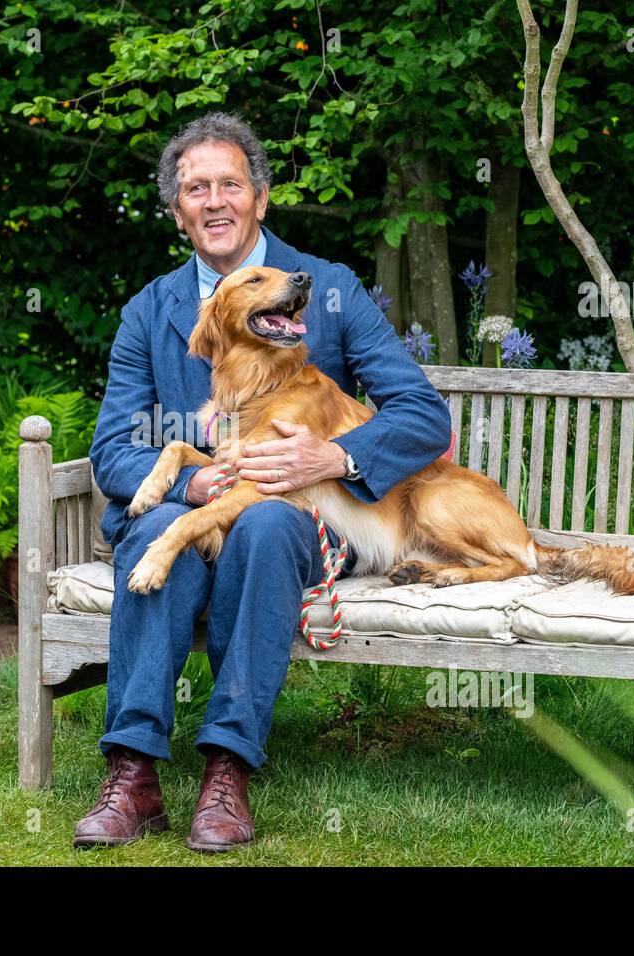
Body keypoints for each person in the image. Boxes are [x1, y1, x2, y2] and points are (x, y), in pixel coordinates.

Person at [76, 111, 451, 852]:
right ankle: (133, 771)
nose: (214, 201)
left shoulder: (330, 291)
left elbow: (422, 415)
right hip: (187, 504)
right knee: (157, 528)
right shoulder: (151, 311)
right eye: (195, 189)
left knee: (268, 523)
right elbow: (114, 451)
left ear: (260, 198)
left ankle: (227, 767)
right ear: (178, 208)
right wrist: (190, 487)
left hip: (304, 519)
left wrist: (336, 458)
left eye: (229, 185)